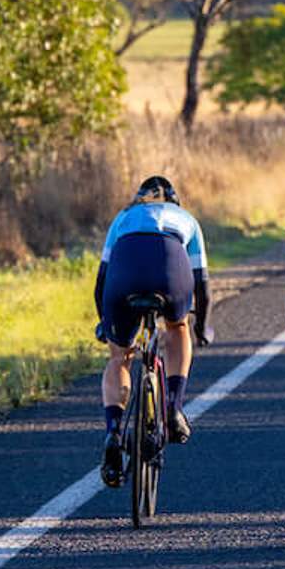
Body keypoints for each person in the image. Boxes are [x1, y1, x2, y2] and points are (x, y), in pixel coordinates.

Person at [94, 175, 211, 486]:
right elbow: (202, 283)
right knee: (178, 326)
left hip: (124, 276)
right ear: (173, 200)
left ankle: (114, 432)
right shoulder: (186, 218)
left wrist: (104, 322)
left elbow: (101, 280)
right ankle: (173, 407)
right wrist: (202, 326)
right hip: (171, 271)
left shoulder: (123, 217)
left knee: (119, 357)